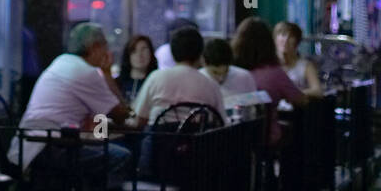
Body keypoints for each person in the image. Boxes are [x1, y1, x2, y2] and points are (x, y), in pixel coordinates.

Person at [9, 23, 133, 191]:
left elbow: (98, 118)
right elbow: (120, 114)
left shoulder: (61, 62)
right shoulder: (86, 72)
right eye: (105, 47)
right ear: (94, 47)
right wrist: (106, 72)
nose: (107, 53)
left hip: (29, 143)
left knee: (104, 156)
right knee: (120, 157)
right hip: (48, 146)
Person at [231, 17, 308, 146]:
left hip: (232, 137)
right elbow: (301, 100)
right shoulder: (274, 73)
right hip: (263, 138)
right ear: (269, 43)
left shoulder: (230, 71)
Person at [132, 26, 226, 127]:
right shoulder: (211, 84)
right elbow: (221, 123)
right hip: (197, 141)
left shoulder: (156, 77)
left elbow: (139, 120)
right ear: (200, 54)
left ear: (172, 53)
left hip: (160, 140)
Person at [273, 21, 324, 97]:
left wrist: (294, 93)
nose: (286, 39)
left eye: (291, 36)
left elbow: (317, 91)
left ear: (297, 41)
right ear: (275, 38)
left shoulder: (306, 65)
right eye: (283, 35)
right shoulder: (269, 64)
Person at [117, 34, 158, 103]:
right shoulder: (118, 83)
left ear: (151, 53)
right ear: (128, 55)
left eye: (144, 50)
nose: (139, 55)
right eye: (134, 51)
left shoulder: (157, 83)